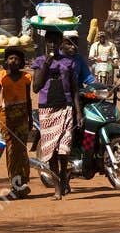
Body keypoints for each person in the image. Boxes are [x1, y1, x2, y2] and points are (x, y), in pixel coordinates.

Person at [32, 31, 83, 198]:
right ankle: (57, 187)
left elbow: (74, 89)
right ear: (45, 42)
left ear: (60, 42)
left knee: (64, 149)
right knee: (51, 152)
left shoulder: (68, 62)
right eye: (49, 41)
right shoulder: (39, 61)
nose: (52, 44)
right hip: (47, 109)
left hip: (66, 107)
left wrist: (78, 112)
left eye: (55, 41)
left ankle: (63, 179)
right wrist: (46, 64)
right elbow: (36, 87)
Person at [0, 47, 33, 197]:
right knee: (11, 150)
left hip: (22, 115)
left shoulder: (26, 77)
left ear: (21, 62)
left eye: (16, 59)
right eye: (10, 58)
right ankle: (15, 184)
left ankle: (23, 182)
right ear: (6, 61)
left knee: (21, 149)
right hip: (6, 115)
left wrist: (30, 118)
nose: (13, 61)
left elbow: (28, 99)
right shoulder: (1, 76)